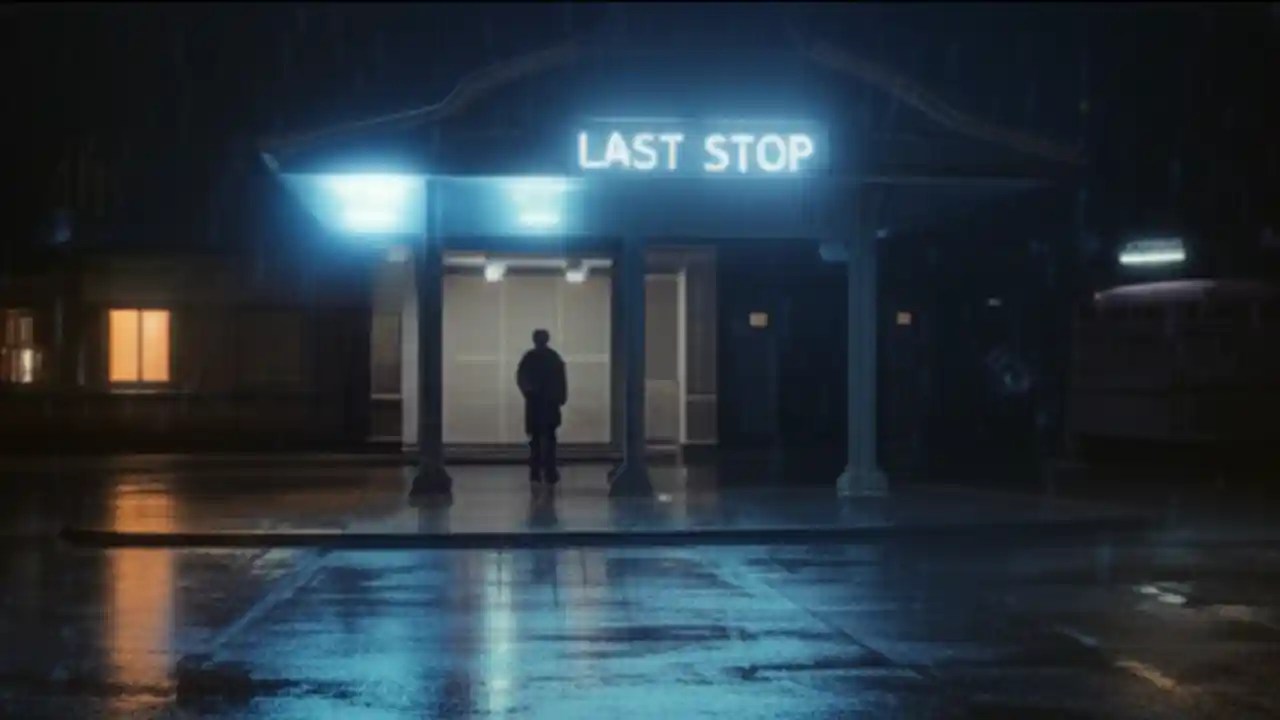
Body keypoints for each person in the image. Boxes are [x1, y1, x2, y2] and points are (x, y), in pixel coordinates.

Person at [516, 329, 567, 485]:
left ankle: (535, 473)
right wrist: (560, 399)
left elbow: (521, 378)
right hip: (550, 406)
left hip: (535, 406)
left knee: (536, 441)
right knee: (550, 440)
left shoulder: (529, 358)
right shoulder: (554, 358)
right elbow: (561, 382)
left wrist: (529, 392)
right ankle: (550, 473)